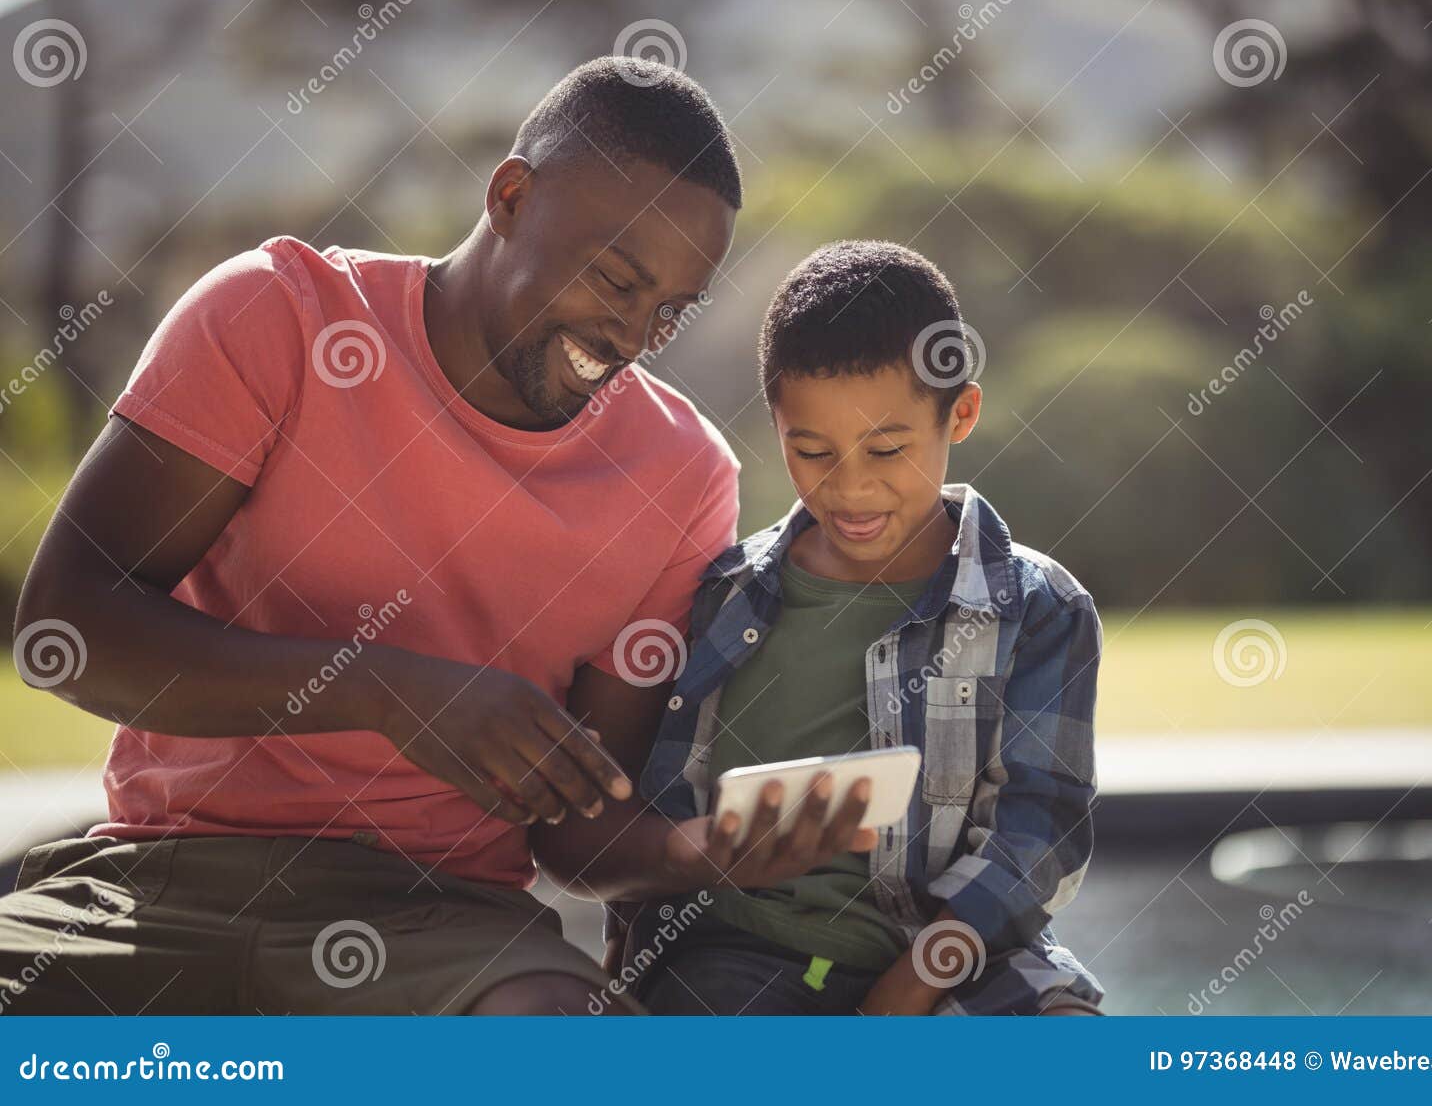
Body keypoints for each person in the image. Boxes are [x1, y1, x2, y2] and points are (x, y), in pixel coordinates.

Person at [0, 57, 870, 1016]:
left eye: (670, 310)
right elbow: (64, 635)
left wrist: (700, 850)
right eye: (616, 280)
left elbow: (575, 828)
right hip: (159, 883)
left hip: (440, 927)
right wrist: (386, 693)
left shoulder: (682, 476)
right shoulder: (277, 317)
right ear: (510, 196)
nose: (631, 333)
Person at [609, 241, 1106, 1015]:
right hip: (742, 956)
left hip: (954, 958)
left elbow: (1037, 840)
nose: (852, 487)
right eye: (812, 451)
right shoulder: (724, 593)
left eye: (887, 449)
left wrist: (904, 992)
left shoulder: (1039, 607)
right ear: (775, 424)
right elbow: (659, 804)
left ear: (960, 412)